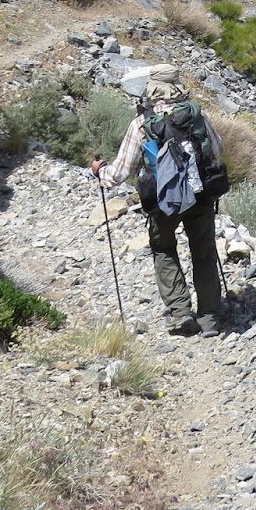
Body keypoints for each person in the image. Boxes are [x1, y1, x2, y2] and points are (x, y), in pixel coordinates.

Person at [94, 67, 224, 338]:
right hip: (199, 195)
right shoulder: (197, 116)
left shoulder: (142, 124)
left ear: (151, 89)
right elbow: (217, 151)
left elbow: (119, 173)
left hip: (162, 200)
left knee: (164, 249)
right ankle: (209, 317)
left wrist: (100, 171)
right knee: (204, 253)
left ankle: (180, 312)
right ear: (178, 86)